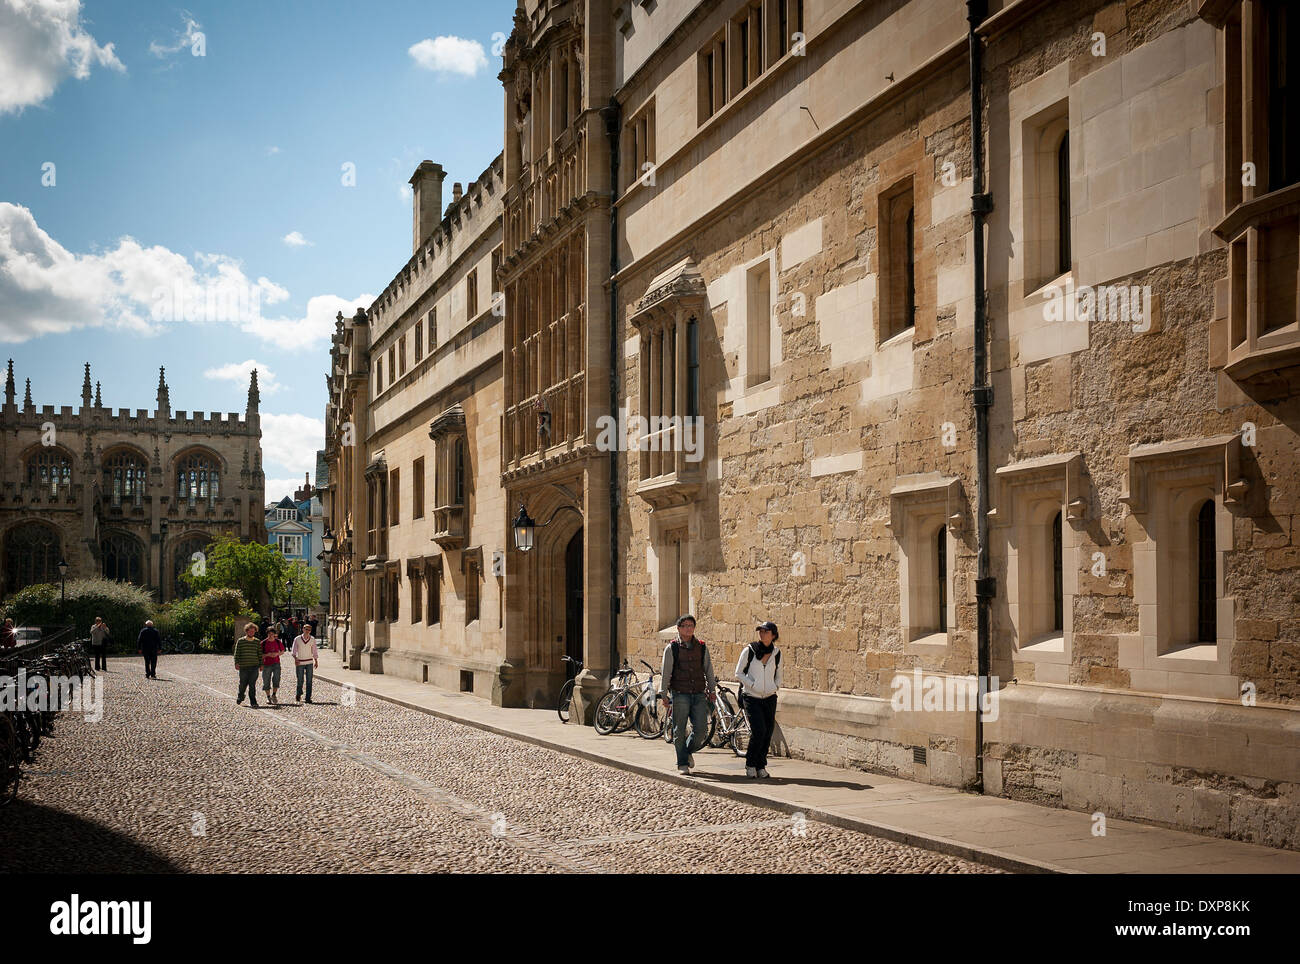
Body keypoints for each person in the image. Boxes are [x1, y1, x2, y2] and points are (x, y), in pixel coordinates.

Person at [659, 615, 716, 775]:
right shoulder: (672, 648)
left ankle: (687, 752)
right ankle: (682, 763)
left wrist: (712, 690)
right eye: (685, 626)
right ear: (678, 628)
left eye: (691, 625)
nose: (688, 628)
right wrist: (663, 694)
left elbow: (708, 669)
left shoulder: (702, 647)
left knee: (701, 730)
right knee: (679, 729)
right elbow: (666, 673)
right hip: (680, 694)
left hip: (698, 694)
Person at [736, 621, 783, 779]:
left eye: (766, 632)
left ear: (773, 635)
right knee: (759, 731)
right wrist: (752, 685)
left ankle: (761, 766)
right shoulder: (749, 650)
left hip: (769, 697)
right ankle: (750, 764)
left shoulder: (777, 653)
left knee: (768, 731)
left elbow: (779, 674)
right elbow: (739, 673)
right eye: (760, 631)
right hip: (751, 697)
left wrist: (774, 686)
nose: (762, 634)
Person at [234, 624, 263, 707]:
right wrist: (236, 662)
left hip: (254, 666)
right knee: (243, 683)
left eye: (253, 631)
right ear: (246, 631)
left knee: (252, 684)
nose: (251, 632)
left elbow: (259, 654)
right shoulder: (241, 641)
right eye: (250, 631)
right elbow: (237, 653)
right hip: (244, 666)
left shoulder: (257, 642)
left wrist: (261, 665)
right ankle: (241, 695)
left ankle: (253, 701)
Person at [291, 623, 319, 704]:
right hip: (300, 662)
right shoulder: (297, 639)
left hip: (309, 662)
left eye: (309, 630)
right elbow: (294, 650)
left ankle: (308, 697)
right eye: (306, 629)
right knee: (300, 680)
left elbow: (314, 650)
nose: (307, 631)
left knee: (309, 681)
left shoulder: (312, 639)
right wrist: (296, 658)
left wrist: (316, 660)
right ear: (303, 629)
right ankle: (298, 694)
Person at [261, 628, 285, 705]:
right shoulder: (263, 643)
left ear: (274, 634)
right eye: (269, 634)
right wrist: (268, 655)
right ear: (267, 634)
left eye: (272, 634)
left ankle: (274, 695)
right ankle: (268, 697)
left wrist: (277, 654)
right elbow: (259, 655)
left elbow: (282, 651)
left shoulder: (278, 642)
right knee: (266, 680)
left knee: (276, 679)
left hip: (276, 663)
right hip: (266, 664)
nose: (271, 636)